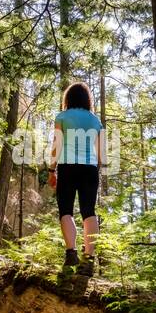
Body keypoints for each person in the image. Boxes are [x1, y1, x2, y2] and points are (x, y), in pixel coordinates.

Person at [49, 82, 103, 274]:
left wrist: (51, 170)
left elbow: (57, 145)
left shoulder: (62, 117)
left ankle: (71, 253)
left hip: (67, 168)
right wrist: (94, 167)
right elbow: (101, 155)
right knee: (89, 211)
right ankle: (89, 259)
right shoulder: (95, 121)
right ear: (87, 99)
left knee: (66, 210)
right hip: (89, 169)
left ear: (68, 99)